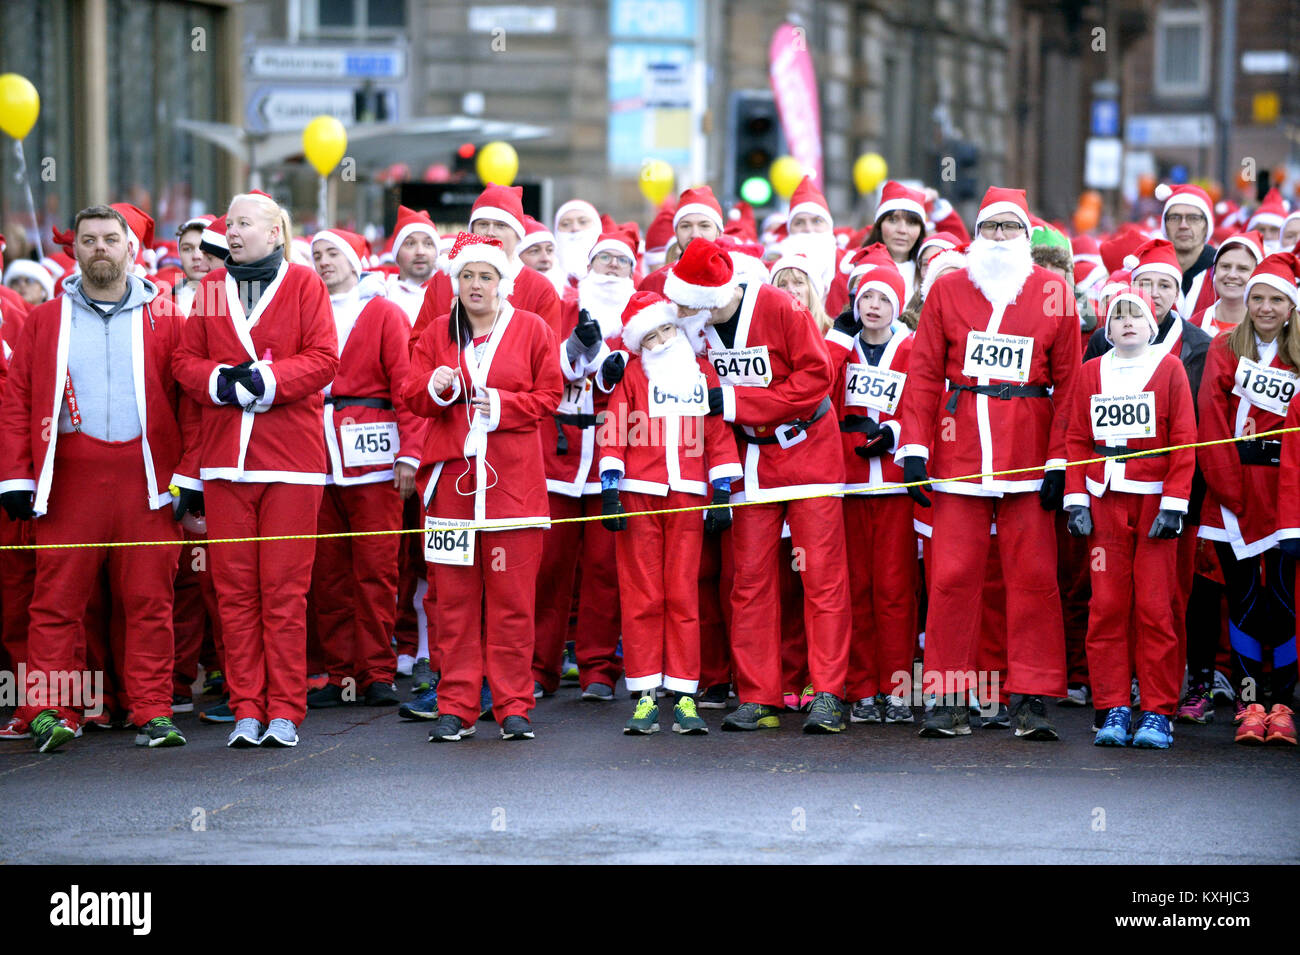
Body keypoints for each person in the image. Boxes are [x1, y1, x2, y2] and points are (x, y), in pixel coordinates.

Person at [0, 204, 196, 752]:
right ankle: (51, 709)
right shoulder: (45, 319)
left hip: (146, 477)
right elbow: (16, 403)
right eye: (89, 240)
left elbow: (191, 405)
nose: (100, 248)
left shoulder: (168, 317)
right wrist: (15, 476)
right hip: (71, 475)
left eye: (112, 239)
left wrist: (190, 476)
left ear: (132, 248)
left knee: (149, 601)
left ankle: (153, 710)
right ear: (74, 249)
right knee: (55, 601)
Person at [897, 187, 1080, 740]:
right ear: (976, 236)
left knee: (1033, 576)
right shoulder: (949, 288)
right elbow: (926, 372)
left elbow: (1071, 382)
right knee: (952, 575)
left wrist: (1060, 462)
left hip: (1029, 446)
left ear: (1027, 238)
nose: (999, 238)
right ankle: (949, 698)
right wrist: (915, 448)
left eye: (1009, 228)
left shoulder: (1054, 291)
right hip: (960, 450)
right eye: (990, 228)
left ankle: (1031, 696)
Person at [172, 190, 339, 749]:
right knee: (235, 592)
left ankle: (285, 709)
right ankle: (247, 707)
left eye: (244, 222)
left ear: (274, 232)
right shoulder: (213, 289)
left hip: (291, 464)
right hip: (224, 464)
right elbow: (183, 361)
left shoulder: (305, 284)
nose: (232, 230)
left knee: (284, 593)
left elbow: (323, 358)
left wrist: (268, 381)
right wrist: (219, 379)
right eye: (230, 223)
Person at [665, 238, 851, 733]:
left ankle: (829, 693)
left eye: (686, 302)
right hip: (749, 459)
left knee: (822, 577)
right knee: (749, 581)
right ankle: (759, 695)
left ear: (709, 295)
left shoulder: (779, 305)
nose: (680, 311)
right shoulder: (694, 328)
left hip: (808, 447)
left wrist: (735, 402)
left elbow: (817, 376)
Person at [404, 232, 561, 742]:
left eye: (485, 276)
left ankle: (514, 705)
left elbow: (550, 394)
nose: (475, 284)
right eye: (467, 276)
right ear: (455, 283)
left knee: (513, 602)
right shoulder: (435, 334)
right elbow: (409, 393)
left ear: (503, 283)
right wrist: (435, 387)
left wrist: (505, 405)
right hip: (451, 484)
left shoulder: (533, 329)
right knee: (453, 602)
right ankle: (456, 704)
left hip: (513, 485)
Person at [596, 291, 741, 733]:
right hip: (640, 492)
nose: (660, 341)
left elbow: (716, 433)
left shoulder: (702, 372)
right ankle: (644, 696)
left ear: (679, 330)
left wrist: (720, 490)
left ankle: (683, 695)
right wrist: (609, 489)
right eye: (651, 336)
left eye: (666, 331)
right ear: (639, 343)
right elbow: (615, 425)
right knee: (641, 595)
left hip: (688, 495)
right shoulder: (633, 376)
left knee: (682, 595)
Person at [1063, 288, 1197, 748]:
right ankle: (1114, 705)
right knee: (1107, 607)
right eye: (1117, 316)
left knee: (1156, 608)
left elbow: (1184, 439)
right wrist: (1076, 499)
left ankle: (1158, 710)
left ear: (1152, 324)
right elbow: (1076, 440)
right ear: (1107, 327)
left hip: (1154, 503)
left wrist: (1175, 504)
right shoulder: (1089, 372)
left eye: (1135, 315)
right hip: (1105, 502)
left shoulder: (1171, 369)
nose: (1126, 323)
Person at [305, 228, 420, 710]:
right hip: (315, 455)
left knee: (377, 567)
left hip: (374, 456)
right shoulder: (304, 311)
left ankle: (376, 670)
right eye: (317, 255)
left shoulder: (385, 312)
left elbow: (406, 384)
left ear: (356, 261)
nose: (325, 261)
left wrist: (410, 454)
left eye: (333, 253)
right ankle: (338, 672)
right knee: (328, 572)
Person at [1196, 252, 1300, 745]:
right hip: (1231, 490)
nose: (1263, 306)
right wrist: (1227, 488)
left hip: (1283, 492)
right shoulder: (1223, 346)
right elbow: (1211, 422)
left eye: (1275, 299)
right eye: (1257, 297)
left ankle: (1282, 701)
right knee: (1240, 599)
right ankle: (1248, 699)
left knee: (1281, 601)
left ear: (1290, 306)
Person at [532, 227, 637, 701]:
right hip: (558, 453)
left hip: (617, 457)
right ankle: (538, 667)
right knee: (548, 567)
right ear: (588, 266)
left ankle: (598, 668)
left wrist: (620, 373)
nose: (613, 269)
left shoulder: (643, 316)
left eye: (622, 262)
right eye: (605, 260)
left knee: (603, 568)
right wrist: (575, 352)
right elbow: (534, 371)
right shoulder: (558, 307)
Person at [825, 261, 919, 724]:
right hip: (850, 483)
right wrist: (837, 341)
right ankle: (862, 688)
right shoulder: (843, 348)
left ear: (897, 305)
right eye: (866, 298)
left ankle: (897, 689)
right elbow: (816, 384)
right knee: (856, 589)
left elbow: (924, 403)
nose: (874, 307)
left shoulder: (911, 347)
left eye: (883, 299)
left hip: (896, 486)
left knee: (896, 590)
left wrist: (896, 432)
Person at [410, 185, 562, 343]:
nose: (490, 232)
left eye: (500, 225)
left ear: (518, 235)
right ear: (472, 230)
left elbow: (548, 356)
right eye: (483, 224)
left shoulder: (541, 289)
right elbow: (417, 345)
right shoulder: (444, 280)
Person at [638, 186, 724, 295]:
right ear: (676, 233)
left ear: (720, 233)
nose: (695, 234)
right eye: (686, 226)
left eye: (704, 226)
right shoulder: (653, 284)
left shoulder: (739, 282)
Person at [1154, 183, 1218, 319]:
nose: (1183, 225)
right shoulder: (1149, 272)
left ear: (1207, 225)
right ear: (1165, 225)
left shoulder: (1222, 271)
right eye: (1175, 218)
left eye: (1193, 218)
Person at [863, 181, 928, 304]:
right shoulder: (857, 267)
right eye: (892, 220)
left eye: (912, 222)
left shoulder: (928, 272)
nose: (902, 230)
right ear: (879, 225)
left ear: (921, 230)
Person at [1190, 232, 1263, 334]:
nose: (1232, 275)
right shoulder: (1193, 326)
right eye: (1225, 266)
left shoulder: (1270, 329)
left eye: (1242, 269)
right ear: (1215, 271)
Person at [384, 205, 441, 323]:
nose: (420, 252)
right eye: (410, 244)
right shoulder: (382, 293)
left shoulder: (452, 294)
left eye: (428, 244)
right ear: (396, 253)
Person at [769, 251, 830, 332]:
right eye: (782, 285)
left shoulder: (832, 336)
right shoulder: (765, 334)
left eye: (798, 283)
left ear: (813, 290)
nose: (791, 290)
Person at [173, 214, 215, 317]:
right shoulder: (165, 300)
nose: (197, 256)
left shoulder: (238, 296)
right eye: (187, 249)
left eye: (203, 248)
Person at [516, 215, 565, 297]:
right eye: (535, 251)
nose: (545, 259)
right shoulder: (503, 299)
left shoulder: (574, 300)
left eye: (549, 250)